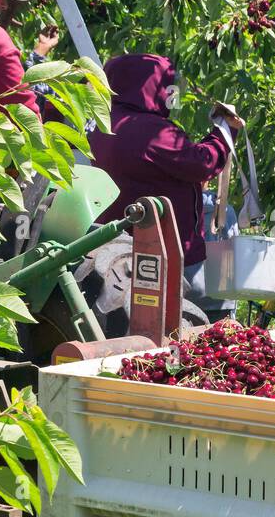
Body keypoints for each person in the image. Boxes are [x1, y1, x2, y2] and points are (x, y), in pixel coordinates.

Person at [90, 53, 242, 318]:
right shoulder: (152, 131)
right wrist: (224, 132)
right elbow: (201, 163)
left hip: (116, 244)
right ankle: (214, 320)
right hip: (165, 248)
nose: (170, 93)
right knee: (204, 311)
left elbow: (149, 169)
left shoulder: (102, 123)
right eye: (165, 85)